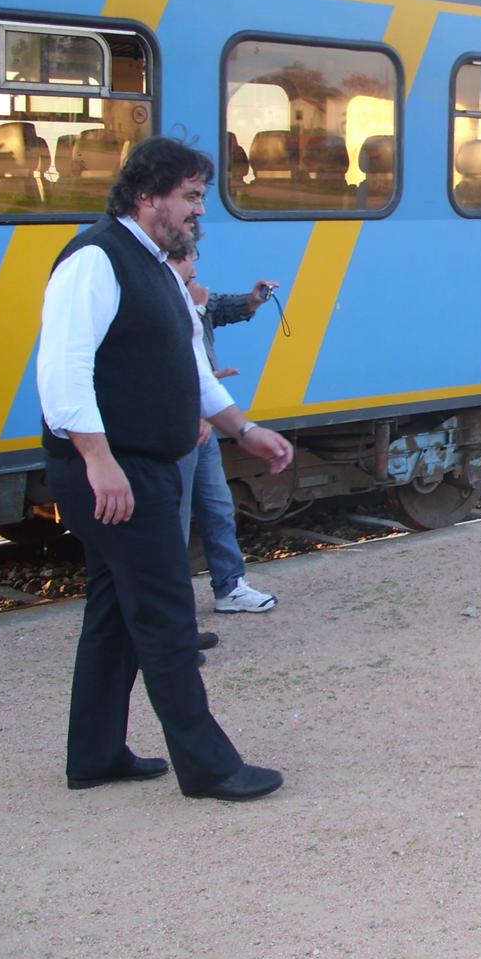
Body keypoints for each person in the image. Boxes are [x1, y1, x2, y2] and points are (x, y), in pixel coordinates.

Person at [37, 136, 294, 802]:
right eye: (189, 196)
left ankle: (93, 755)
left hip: (141, 465)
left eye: (199, 197)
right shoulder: (95, 260)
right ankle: (210, 769)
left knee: (115, 615)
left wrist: (245, 429)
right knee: (166, 617)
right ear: (147, 194)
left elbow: (191, 365)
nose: (197, 211)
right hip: (117, 472)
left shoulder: (156, 266)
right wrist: (100, 461)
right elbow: (61, 373)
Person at [166, 241, 280, 614]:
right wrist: (197, 308)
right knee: (175, 521)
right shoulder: (159, 299)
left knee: (218, 507)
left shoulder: (194, 295)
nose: (194, 270)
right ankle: (171, 604)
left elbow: (221, 306)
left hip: (204, 423)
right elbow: (177, 357)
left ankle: (230, 586)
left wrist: (253, 300)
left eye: (194, 259)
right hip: (176, 426)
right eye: (187, 260)